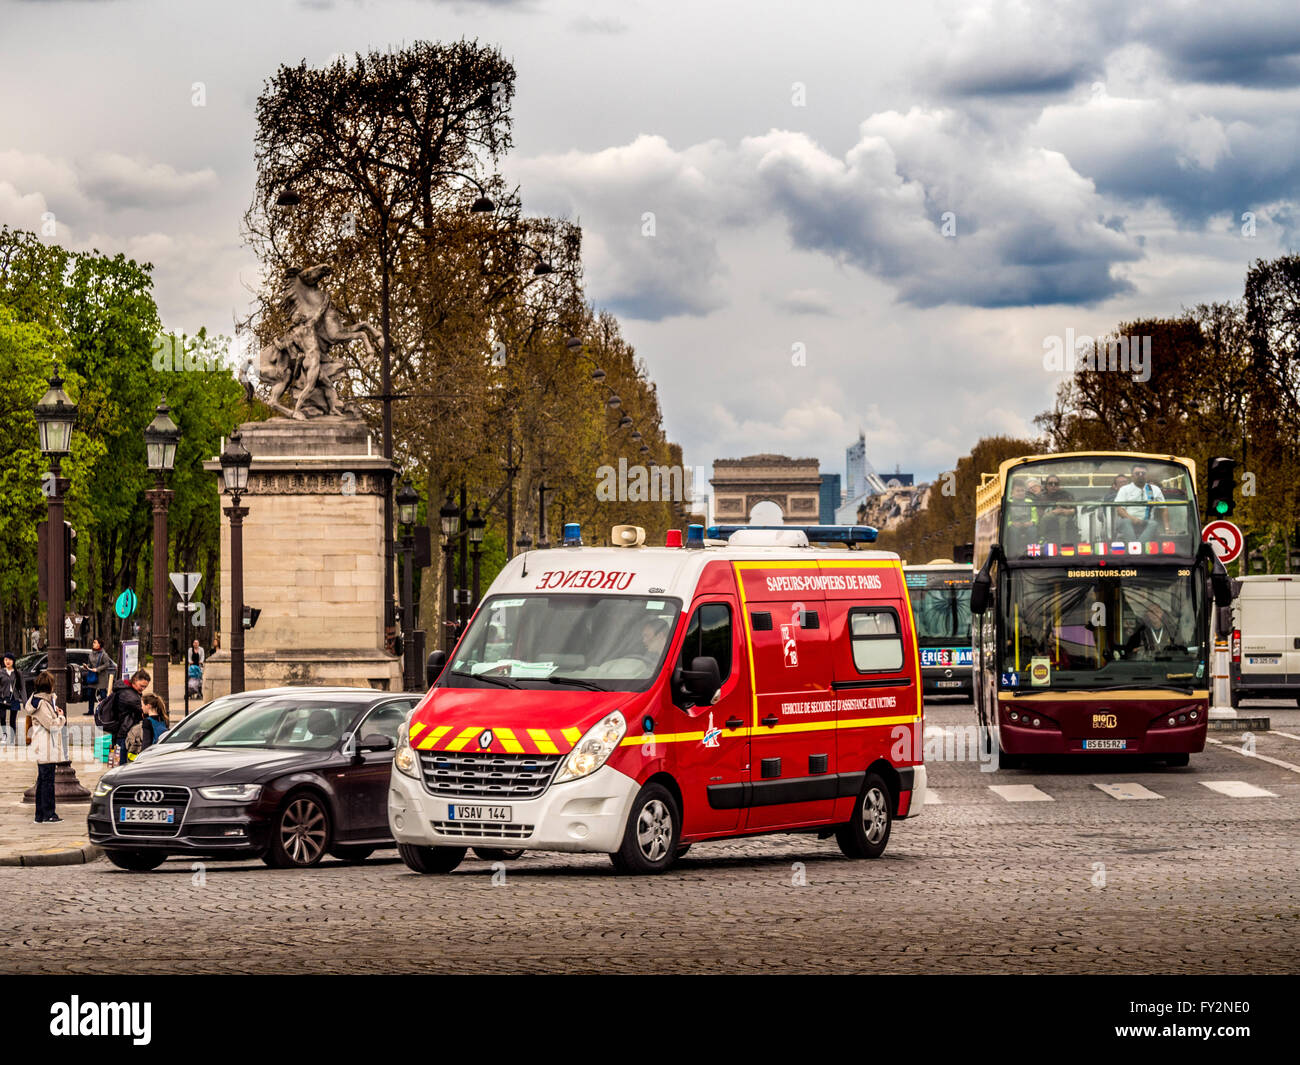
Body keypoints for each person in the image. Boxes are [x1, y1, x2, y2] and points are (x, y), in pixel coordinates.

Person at [25, 671, 65, 823]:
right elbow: (52, 725)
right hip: (46, 746)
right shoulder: (42, 704)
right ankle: (49, 814)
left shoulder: (39, 701)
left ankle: (40, 815)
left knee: (43, 780)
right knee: (47, 782)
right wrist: (61, 717)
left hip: (42, 745)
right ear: (49, 686)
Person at [1114, 463, 1170, 542]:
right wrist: (1133, 519)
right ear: (1132, 476)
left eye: (1143, 473)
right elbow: (1119, 510)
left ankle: (1137, 547)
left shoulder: (1155, 489)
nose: (1140, 475)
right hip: (1128, 520)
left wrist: (1167, 529)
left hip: (1146, 522)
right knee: (1125, 522)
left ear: (1147, 476)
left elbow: (1164, 509)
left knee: (1153, 524)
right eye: (1137, 473)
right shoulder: (1124, 489)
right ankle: (1137, 548)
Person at [108, 669, 150, 767]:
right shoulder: (129, 695)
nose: (143, 688)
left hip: (118, 732)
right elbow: (142, 710)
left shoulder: (125, 689)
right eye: (142, 686)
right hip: (124, 733)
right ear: (134, 680)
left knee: (115, 764)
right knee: (121, 766)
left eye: (145, 687)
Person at [126, 692, 169, 759]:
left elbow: (146, 742)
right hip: (161, 752)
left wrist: (142, 758)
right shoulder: (163, 718)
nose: (141, 707)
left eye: (142, 705)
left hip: (152, 754)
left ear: (148, 706)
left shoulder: (147, 721)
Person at [1037, 475, 1076, 545]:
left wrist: (1066, 511)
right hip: (1048, 517)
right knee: (1045, 517)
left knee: (1063, 520)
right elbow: (1039, 513)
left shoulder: (1066, 494)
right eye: (1050, 483)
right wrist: (1052, 512)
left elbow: (1074, 510)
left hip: (1063, 515)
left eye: (1056, 483)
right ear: (1046, 485)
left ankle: (1063, 543)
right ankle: (1041, 539)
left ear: (1059, 485)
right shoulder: (1041, 496)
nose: (1053, 485)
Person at [1005, 482, 1039, 555]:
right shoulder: (1009, 503)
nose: (1020, 493)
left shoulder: (1030, 502)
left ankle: (1033, 554)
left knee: (1033, 530)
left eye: (1022, 490)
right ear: (1012, 492)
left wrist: (1032, 522)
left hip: (1028, 524)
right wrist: (1011, 523)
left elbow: (1035, 517)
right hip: (1014, 526)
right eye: (1018, 491)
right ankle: (1013, 554)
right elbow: (1006, 519)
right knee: (1012, 531)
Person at [83, 638, 113, 717]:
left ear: (99, 644)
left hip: (102, 677)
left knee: (103, 695)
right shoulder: (91, 654)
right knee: (90, 694)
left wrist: (98, 669)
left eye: (95, 642)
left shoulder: (104, 654)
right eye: (93, 642)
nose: (93, 644)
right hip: (92, 677)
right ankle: (90, 711)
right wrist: (87, 666)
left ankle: (103, 711)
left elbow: (107, 664)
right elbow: (89, 664)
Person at [0, 652, 26, 746]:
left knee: (12, 720)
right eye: (6, 659)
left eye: (10, 660)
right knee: (2, 717)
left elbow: (22, 688)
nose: (7, 661)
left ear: (13, 661)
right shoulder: (1, 672)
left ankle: (12, 738)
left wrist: (25, 702)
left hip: (14, 698)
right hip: (3, 698)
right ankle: (4, 735)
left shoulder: (18, 673)